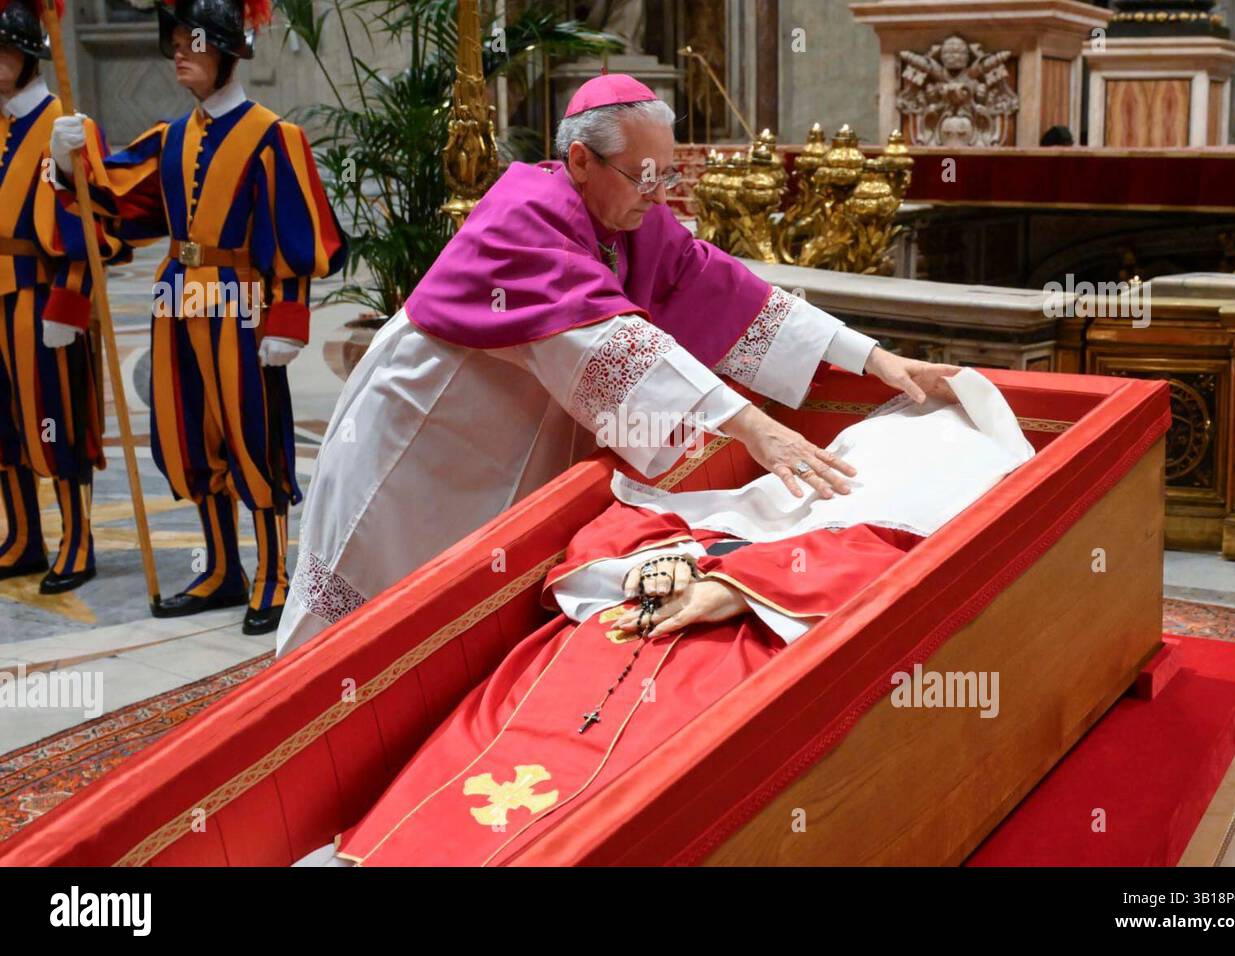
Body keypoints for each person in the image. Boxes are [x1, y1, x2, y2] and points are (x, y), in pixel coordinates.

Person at [277, 73, 959, 657]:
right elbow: (612, 345)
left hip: (503, 448)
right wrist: (753, 427)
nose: (658, 195)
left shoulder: (628, 218)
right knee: (356, 615)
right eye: (642, 177)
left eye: (667, 176)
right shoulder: (524, 217)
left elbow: (729, 292)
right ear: (580, 161)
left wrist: (870, 355)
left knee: (458, 616)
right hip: (420, 446)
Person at [291, 367, 1035, 866]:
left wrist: (740, 586)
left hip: (745, 644)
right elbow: (620, 530)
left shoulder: (915, 523)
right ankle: (386, 850)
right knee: (505, 732)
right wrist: (662, 559)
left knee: (638, 770)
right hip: (625, 624)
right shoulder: (785, 490)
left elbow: (889, 577)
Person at [47, 0, 346, 633]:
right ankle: (221, 570)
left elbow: (295, 227)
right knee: (190, 436)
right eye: (175, 42)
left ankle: (273, 573)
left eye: (193, 42)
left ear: (227, 50)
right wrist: (69, 160)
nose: (180, 53)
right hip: (178, 300)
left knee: (252, 437)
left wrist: (288, 318)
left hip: (241, 302)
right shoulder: (170, 137)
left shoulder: (273, 136)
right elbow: (118, 198)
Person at [0, 0, 118, 593]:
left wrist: (69, 305)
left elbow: (93, 229)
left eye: (4, 48)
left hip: (41, 296)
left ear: (29, 54)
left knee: (57, 421)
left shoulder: (66, 124)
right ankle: (22, 535)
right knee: (4, 425)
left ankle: (77, 539)